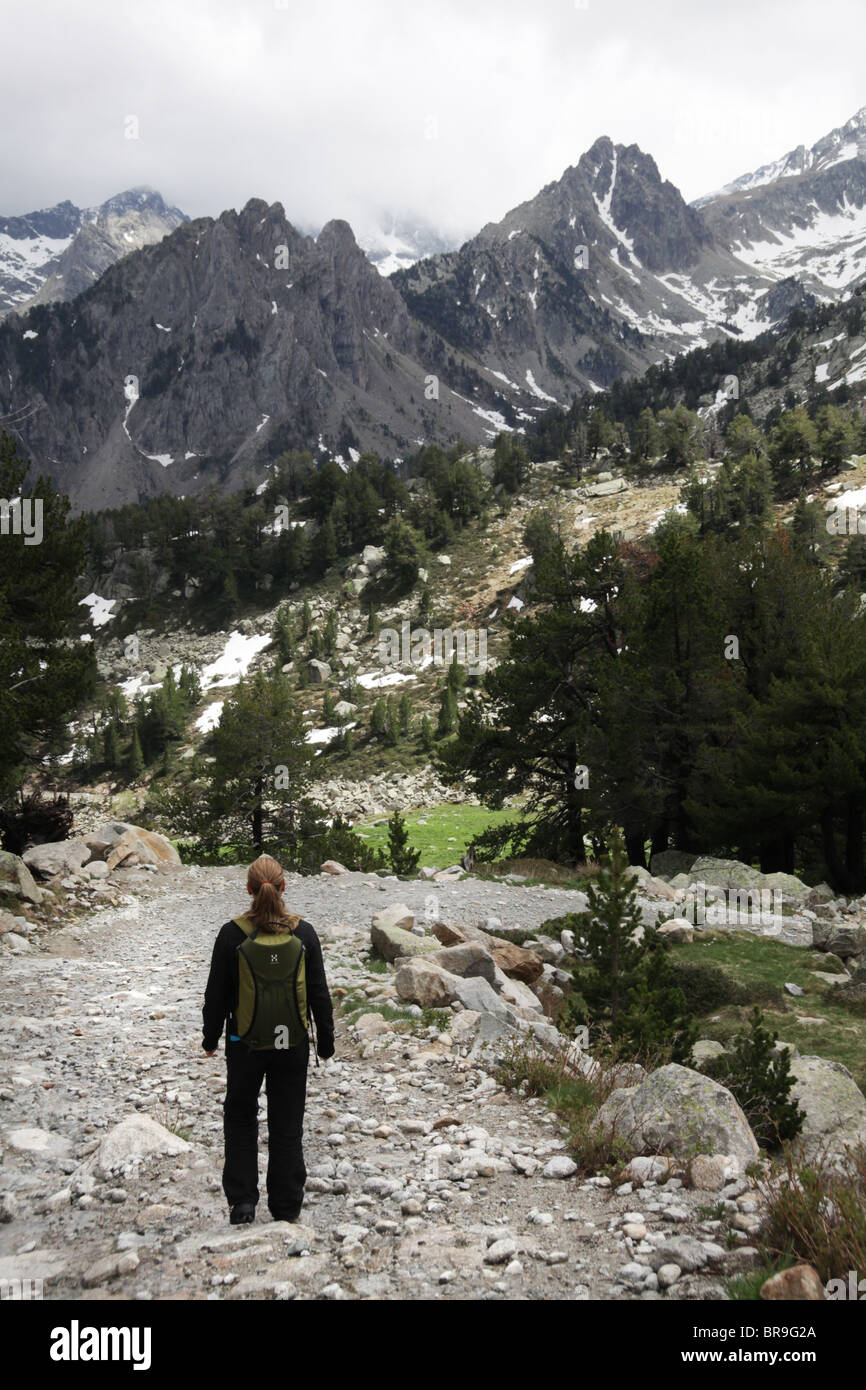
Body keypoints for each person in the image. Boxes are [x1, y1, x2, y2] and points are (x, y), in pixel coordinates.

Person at [202, 854, 334, 1225]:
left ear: (248, 889)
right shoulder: (303, 933)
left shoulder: (232, 934)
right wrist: (325, 1042)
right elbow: (319, 994)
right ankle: (286, 1206)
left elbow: (217, 994)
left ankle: (243, 1203)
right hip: (291, 1043)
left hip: (244, 1041)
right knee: (287, 1122)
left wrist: (210, 1038)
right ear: (284, 887)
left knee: (241, 1116)